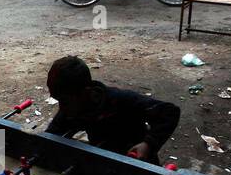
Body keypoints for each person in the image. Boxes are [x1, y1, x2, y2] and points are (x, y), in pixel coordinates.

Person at [44, 56, 180, 161]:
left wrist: (148, 145)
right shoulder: (73, 109)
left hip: (138, 163)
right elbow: (51, 136)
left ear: (86, 92)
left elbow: (169, 112)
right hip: (105, 162)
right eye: (59, 101)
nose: (61, 107)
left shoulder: (122, 101)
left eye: (65, 101)